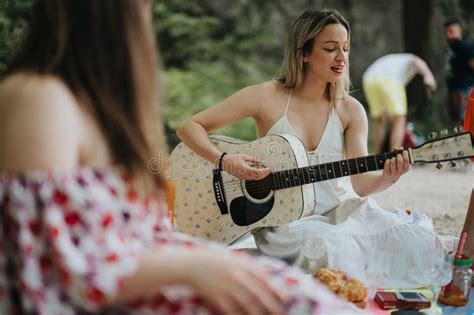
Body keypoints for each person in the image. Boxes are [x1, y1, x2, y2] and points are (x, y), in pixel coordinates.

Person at [0, 1, 366, 314]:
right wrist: (190, 266)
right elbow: (49, 268)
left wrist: (202, 261)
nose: (146, 20)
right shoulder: (38, 99)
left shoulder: (98, 107)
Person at [177, 9, 443, 288]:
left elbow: (361, 185)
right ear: (303, 53)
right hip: (285, 224)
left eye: (346, 48)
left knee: (415, 242)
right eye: (330, 49)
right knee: (332, 248)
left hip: (342, 212)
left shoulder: (351, 110)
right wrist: (224, 160)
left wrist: (389, 176)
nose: (341, 58)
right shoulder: (266, 96)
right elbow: (189, 126)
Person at [362, 53, 437, 153]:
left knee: (379, 120)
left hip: (369, 79)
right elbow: (417, 61)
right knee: (399, 119)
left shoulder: (398, 65)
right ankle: (393, 157)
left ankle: (378, 156)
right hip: (388, 79)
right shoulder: (411, 58)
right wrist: (428, 76)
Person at [443, 18, 474, 127]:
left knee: (466, 117)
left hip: (465, 88)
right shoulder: (451, 47)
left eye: (451, 31)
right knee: (455, 119)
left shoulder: (466, 46)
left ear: (459, 30)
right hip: (453, 88)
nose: (448, 35)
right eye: (446, 32)